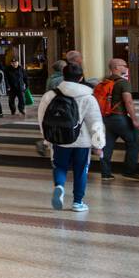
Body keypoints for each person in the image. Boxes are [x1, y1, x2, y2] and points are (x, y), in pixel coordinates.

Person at [37, 62, 105, 212]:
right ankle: (78, 202)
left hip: (59, 139)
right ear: (81, 78)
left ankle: (60, 186)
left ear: (64, 76)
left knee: (60, 166)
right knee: (81, 170)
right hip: (82, 142)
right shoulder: (88, 97)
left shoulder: (50, 95)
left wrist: (47, 138)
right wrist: (98, 145)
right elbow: (95, 123)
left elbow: (42, 119)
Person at [96, 58, 139, 181]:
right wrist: (134, 120)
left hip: (107, 118)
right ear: (116, 67)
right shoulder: (123, 83)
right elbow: (128, 102)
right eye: (124, 65)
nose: (126, 67)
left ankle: (105, 173)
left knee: (108, 145)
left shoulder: (104, 81)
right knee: (133, 142)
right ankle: (129, 171)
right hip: (119, 117)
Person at [1, 48, 27, 116]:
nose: (14, 64)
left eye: (15, 62)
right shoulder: (7, 70)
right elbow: (5, 79)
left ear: (18, 62)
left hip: (20, 87)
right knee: (11, 101)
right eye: (13, 63)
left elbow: (25, 77)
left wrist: (27, 85)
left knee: (22, 100)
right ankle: (13, 110)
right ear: (11, 63)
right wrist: (8, 86)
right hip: (12, 88)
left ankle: (21, 110)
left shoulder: (21, 69)